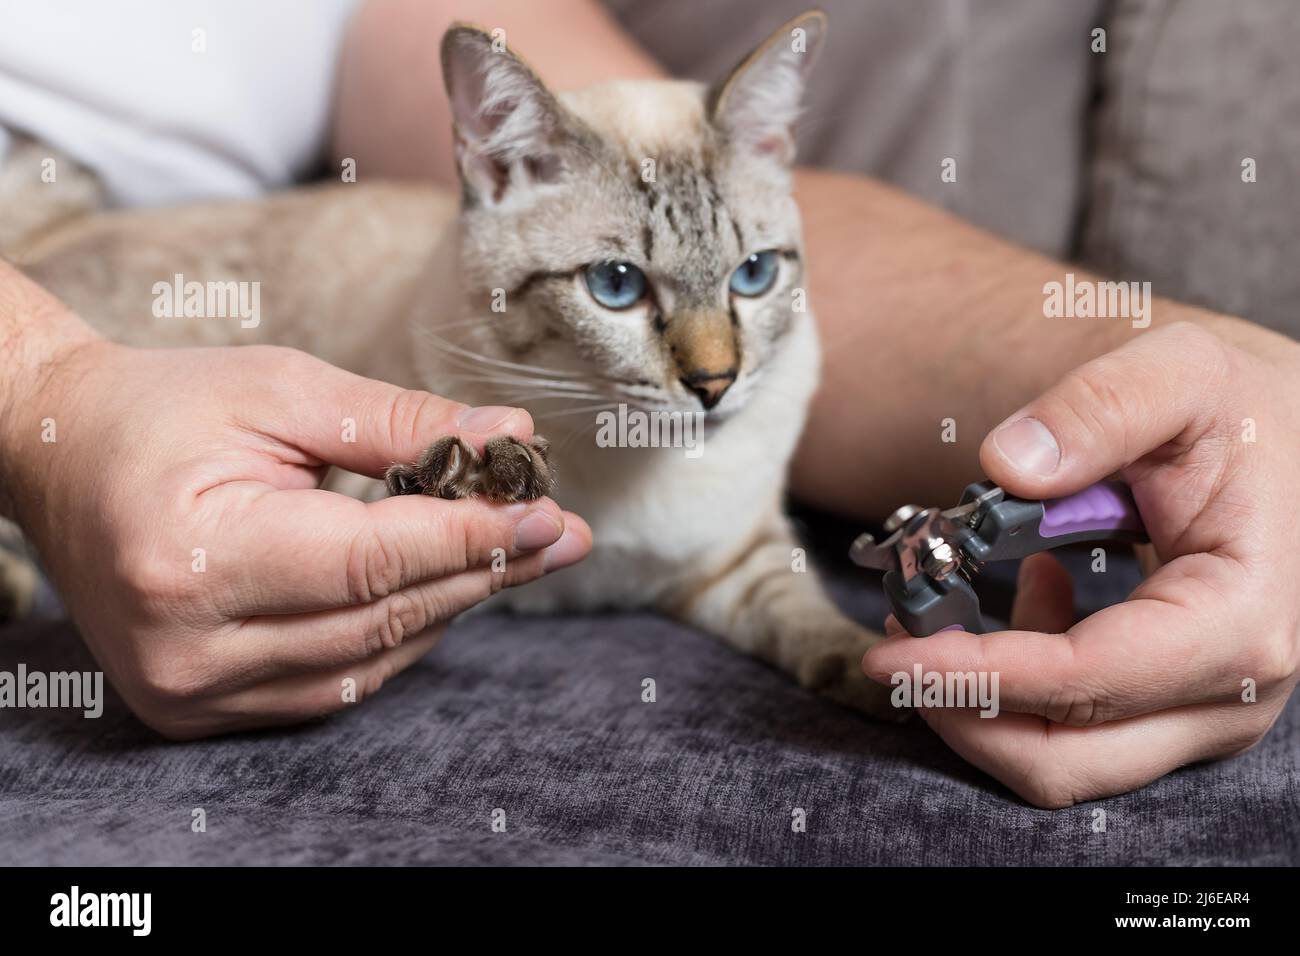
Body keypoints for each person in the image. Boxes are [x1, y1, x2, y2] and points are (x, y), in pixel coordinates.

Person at [1, 0, 1296, 808]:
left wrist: (1213, 371)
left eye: (746, 287)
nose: (711, 362)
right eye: (623, 287)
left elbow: (684, 190)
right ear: (495, 166)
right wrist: (42, 400)